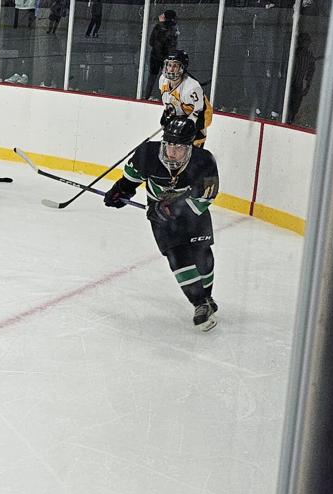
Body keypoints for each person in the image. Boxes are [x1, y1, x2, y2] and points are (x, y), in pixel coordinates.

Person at [103, 117, 220, 332]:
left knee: (203, 255)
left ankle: (208, 296)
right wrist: (120, 192)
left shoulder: (204, 161)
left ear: (190, 147)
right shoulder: (147, 154)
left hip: (194, 213)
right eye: (169, 145)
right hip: (161, 218)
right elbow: (131, 179)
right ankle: (199, 304)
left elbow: (206, 196)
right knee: (178, 258)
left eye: (179, 147)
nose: (173, 152)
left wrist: (175, 209)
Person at [158, 49, 212, 148]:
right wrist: (168, 115)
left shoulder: (192, 87)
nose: (170, 69)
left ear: (182, 68)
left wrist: (187, 127)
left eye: (175, 66)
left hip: (198, 122)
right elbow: (170, 103)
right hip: (180, 118)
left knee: (191, 156)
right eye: (169, 65)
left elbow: (199, 112)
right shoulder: (163, 80)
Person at [144, 9, 178, 100]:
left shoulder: (160, 27)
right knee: (167, 79)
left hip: (157, 57)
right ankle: (168, 98)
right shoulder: (172, 29)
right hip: (165, 58)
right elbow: (171, 45)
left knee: (153, 78)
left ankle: (147, 96)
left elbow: (152, 42)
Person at [288, 32, 316, 123]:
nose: (305, 44)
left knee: (295, 106)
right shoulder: (294, 52)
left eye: (307, 41)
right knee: (288, 104)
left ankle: (291, 120)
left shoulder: (309, 56)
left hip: (299, 85)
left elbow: (310, 72)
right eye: (303, 41)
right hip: (290, 84)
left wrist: (307, 86)